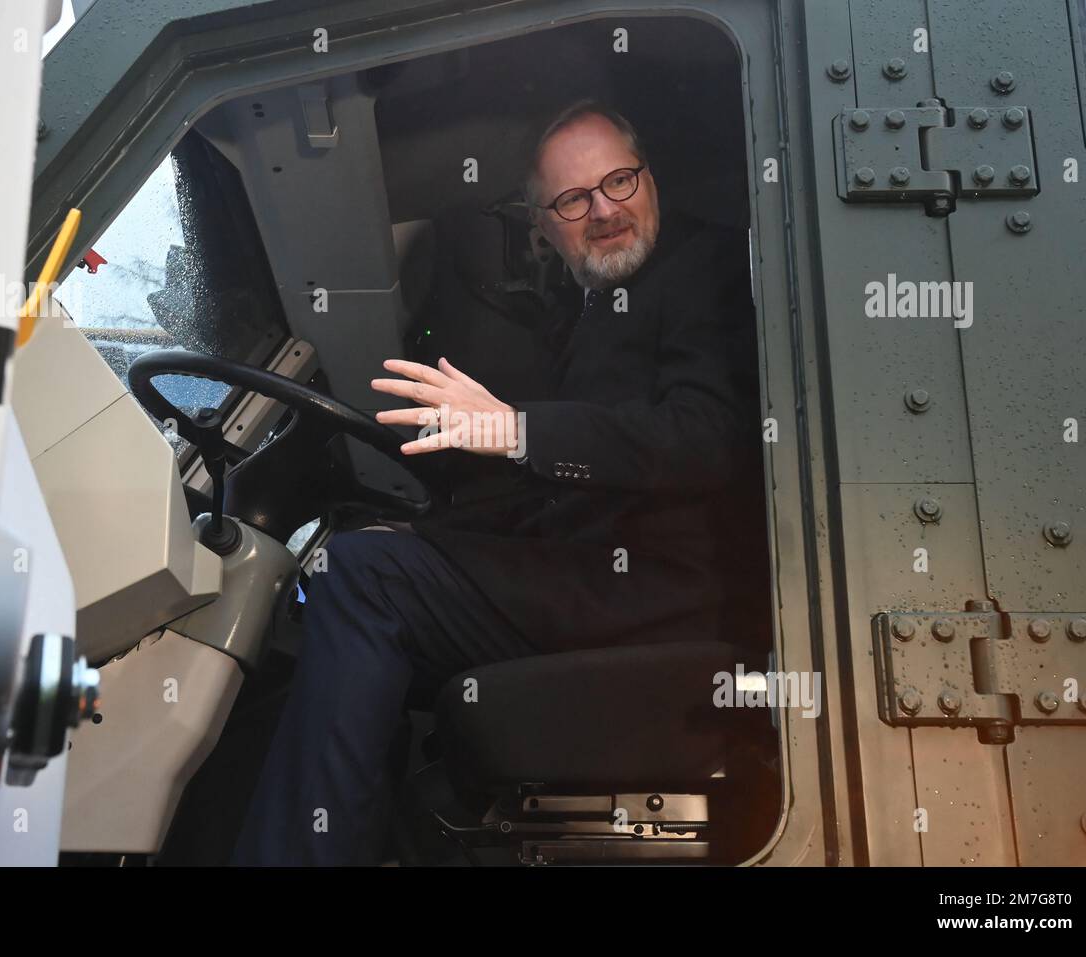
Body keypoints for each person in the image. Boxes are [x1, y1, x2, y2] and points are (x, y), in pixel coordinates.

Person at [231, 100, 761, 865]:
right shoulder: (598, 307)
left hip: (664, 593)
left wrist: (516, 429)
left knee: (364, 576)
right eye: (573, 200)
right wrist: (418, 534)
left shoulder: (705, 268)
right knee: (372, 554)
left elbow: (706, 439)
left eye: (619, 181)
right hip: (604, 578)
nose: (604, 210)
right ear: (543, 226)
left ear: (651, 178)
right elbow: (560, 503)